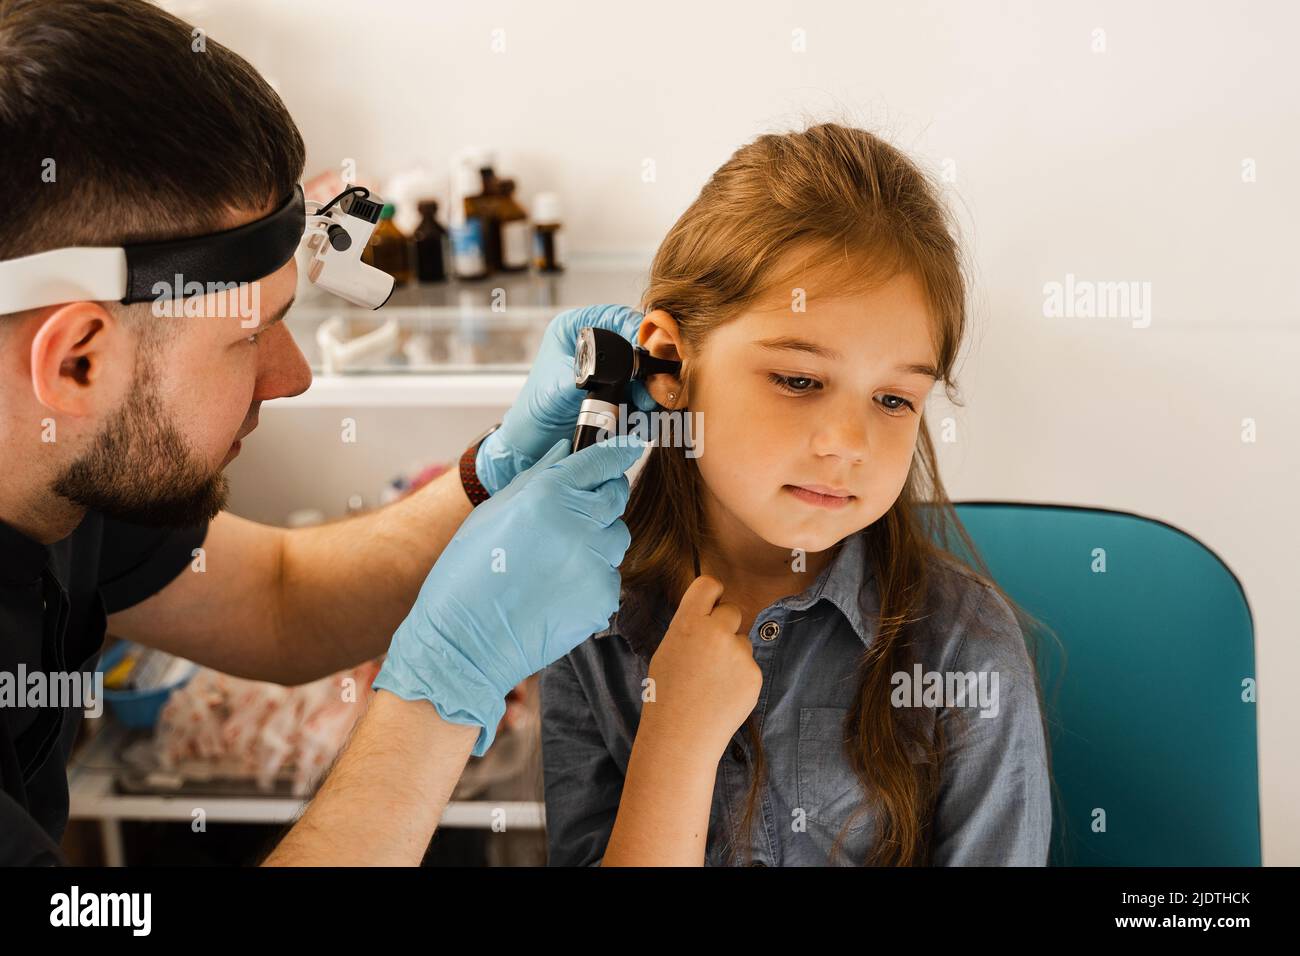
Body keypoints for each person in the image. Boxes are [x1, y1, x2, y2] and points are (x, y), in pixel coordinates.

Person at [0, 0, 656, 866]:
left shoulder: (59, 465)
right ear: (77, 360)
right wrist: (444, 686)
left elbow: (278, 599)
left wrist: (494, 473)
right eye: (247, 338)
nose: (293, 374)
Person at [540, 124, 1054, 866]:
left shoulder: (964, 649)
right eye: (799, 380)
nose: (847, 442)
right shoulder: (580, 622)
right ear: (670, 363)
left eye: (892, 400)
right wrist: (674, 746)